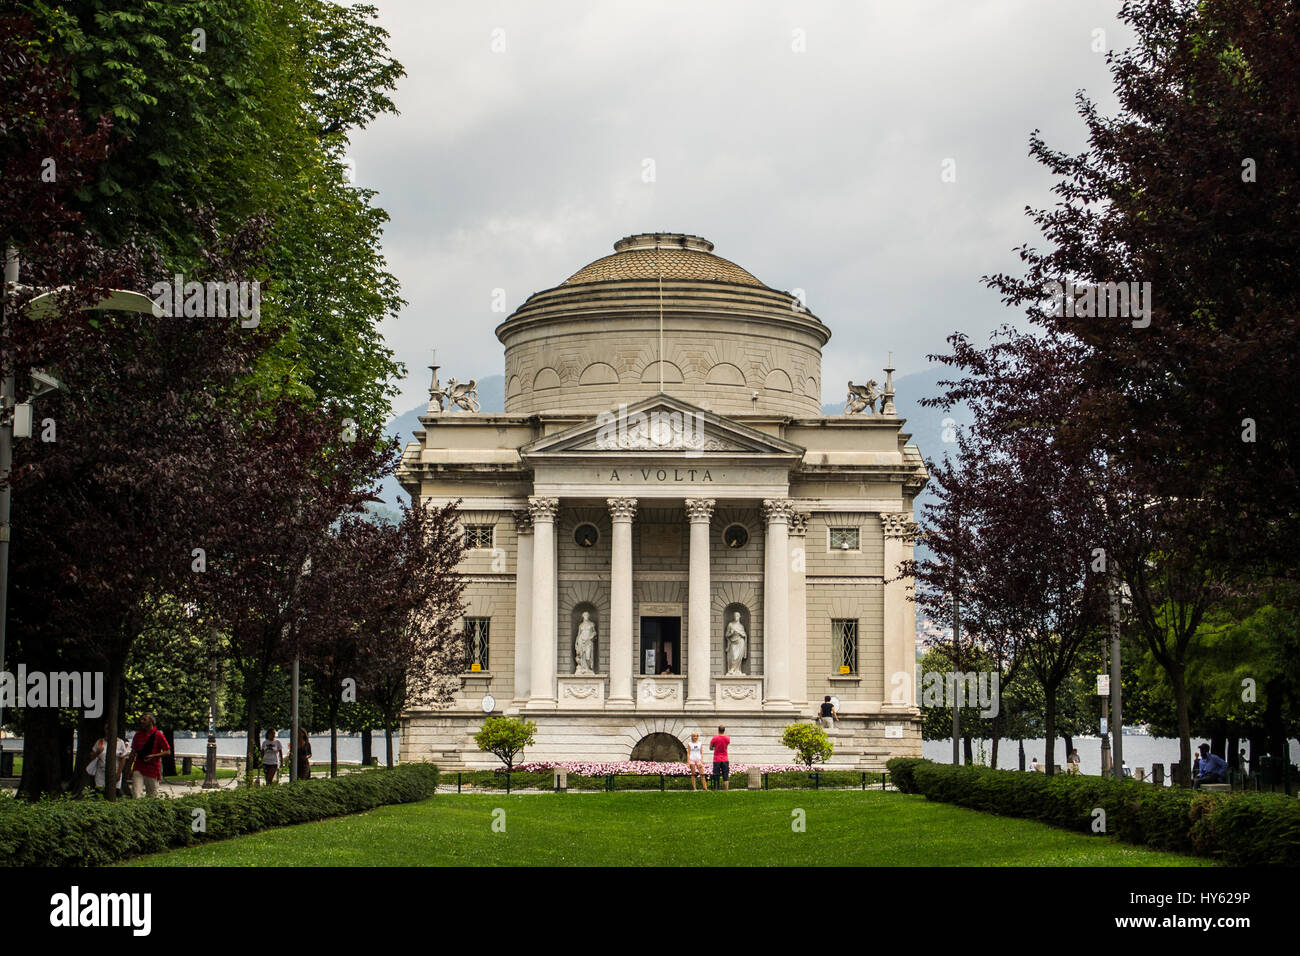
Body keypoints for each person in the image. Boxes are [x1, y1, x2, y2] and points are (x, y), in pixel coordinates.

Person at [124, 713, 170, 798]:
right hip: (139, 767)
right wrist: (128, 769)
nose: (142, 721)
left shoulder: (158, 735)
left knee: (152, 795)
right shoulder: (138, 735)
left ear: (151, 721)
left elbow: (167, 751)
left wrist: (154, 756)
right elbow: (133, 753)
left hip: (152, 769)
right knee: (136, 793)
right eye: (141, 719)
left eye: (144, 720)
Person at [86, 723, 128, 797]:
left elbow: (123, 758)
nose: (109, 730)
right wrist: (98, 752)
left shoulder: (120, 742)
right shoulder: (100, 742)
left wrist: (118, 773)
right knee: (100, 793)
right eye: (107, 728)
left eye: (110, 728)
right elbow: (91, 757)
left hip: (115, 773)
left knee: (114, 794)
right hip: (101, 774)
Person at [709, 725, 731, 791]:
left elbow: (710, 748)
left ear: (718, 730)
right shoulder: (727, 738)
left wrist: (715, 747)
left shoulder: (714, 738)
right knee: (725, 775)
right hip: (725, 758)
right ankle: (726, 790)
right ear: (724, 730)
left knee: (716, 774)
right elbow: (727, 745)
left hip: (717, 759)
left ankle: (716, 789)